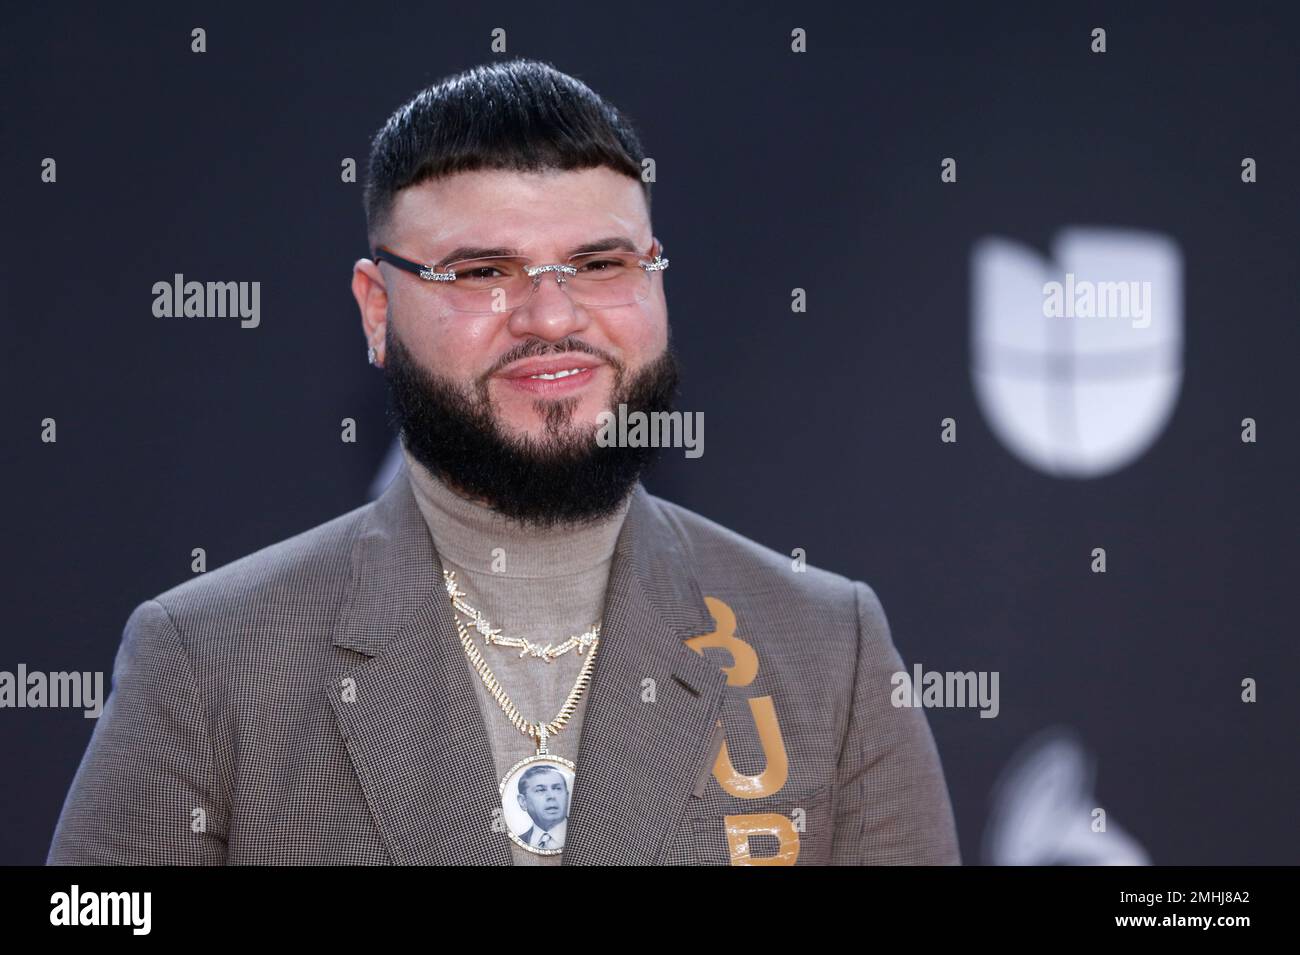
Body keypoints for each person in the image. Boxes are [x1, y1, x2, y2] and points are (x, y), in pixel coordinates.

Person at [47, 57, 960, 866]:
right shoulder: (210, 659)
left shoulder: (827, 648)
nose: (552, 317)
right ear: (377, 308)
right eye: (484, 272)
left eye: (601, 263)